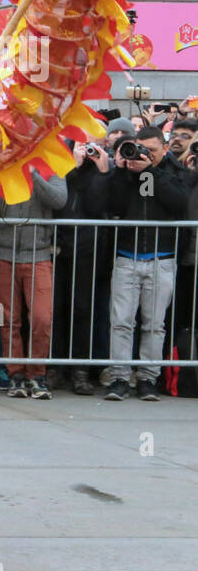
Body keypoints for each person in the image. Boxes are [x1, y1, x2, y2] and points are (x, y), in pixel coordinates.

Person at [92, 126, 192, 400]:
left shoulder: (176, 171)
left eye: (152, 151)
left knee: (154, 324)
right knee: (121, 322)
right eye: (141, 148)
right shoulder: (126, 174)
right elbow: (110, 205)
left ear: (163, 148)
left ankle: (148, 378)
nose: (145, 154)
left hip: (162, 258)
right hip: (127, 255)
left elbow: (178, 202)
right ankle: (120, 378)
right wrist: (122, 172)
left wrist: (151, 172)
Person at [0, 171, 67, 398]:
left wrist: (34, 175)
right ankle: (16, 376)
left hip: (38, 254)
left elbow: (59, 199)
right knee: (7, 319)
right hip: (3, 253)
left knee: (42, 317)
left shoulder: (51, 166)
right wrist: (5, 175)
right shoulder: (3, 165)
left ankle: (37, 375)